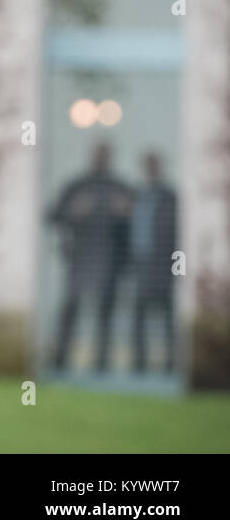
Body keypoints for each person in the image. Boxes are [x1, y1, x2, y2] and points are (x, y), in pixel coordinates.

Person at [49, 141, 134, 372]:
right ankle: (59, 361)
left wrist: (128, 214)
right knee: (71, 308)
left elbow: (140, 227)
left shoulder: (122, 187)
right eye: (98, 153)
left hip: (111, 262)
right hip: (80, 260)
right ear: (91, 155)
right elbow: (52, 215)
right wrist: (72, 212)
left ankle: (101, 364)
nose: (102, 158)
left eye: (106, 154)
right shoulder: (77, 186)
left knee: (106, 312)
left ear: (111, 157)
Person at [129, 151, 178, 373]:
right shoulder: (136, 196)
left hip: (163, 264)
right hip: (140, 263)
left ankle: (171, 363)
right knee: (139, 314)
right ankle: (139, 363)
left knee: (167, 314)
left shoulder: (170, 197)